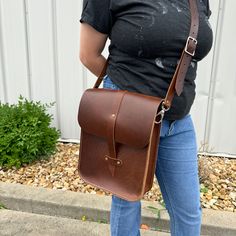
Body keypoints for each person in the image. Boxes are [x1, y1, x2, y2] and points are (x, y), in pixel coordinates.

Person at [79, 0, 213, 235]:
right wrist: (126, 99)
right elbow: (89, 55)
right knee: (127, 200)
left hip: (176, 120)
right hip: (129, 118)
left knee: (188, 210)